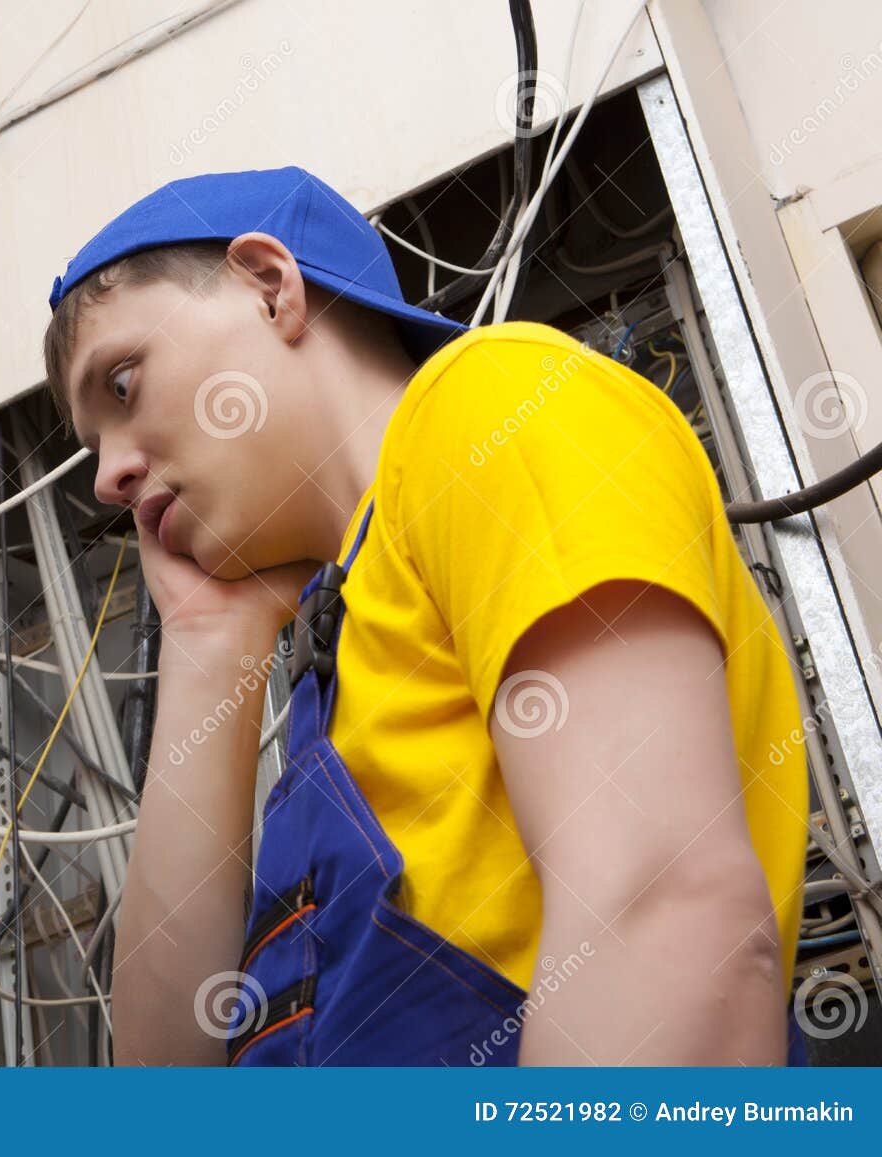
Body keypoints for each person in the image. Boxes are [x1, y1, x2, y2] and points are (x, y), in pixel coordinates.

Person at [42, 166, 810, 1066]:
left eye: (124, 384)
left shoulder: (495, 403)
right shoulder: (339, 649)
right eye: (94, 448)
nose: (106, 478)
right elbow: (165, 1084)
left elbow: (666, 916)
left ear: (269, 287)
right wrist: (209, 645)